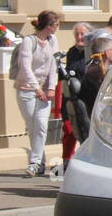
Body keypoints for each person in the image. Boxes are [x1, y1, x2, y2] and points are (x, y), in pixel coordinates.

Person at [15, 10, 61, 177]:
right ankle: (39, 162)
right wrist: (36, 88)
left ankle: (34, 162)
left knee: (41, 125)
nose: (57, 27)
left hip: (44, 88)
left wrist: (51, 88)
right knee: (33, 127)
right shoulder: (29, 41)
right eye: (56, 24)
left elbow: (54, 65)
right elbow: (25, 66)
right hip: (26, 88)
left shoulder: (52, 40)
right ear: (49, 26)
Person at [59, 23, 91, 171]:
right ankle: (66, 164)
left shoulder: (93, 52)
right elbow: (66, 75)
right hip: (71, 97)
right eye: (77, 34)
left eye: (82, 34)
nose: (79, 37)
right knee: (69, 129)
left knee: (87, 131)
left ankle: (86, 164)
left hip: (87, 97)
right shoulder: (72, 52)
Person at [77, 33, 112, 141]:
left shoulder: (94, 68)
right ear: (106, 52)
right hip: (98, 125)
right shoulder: (95, 72)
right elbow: (101, 99)